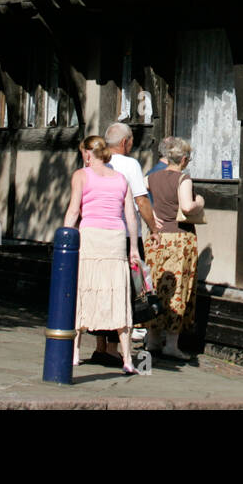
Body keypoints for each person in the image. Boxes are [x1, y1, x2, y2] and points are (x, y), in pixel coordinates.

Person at [63, 135, 139, 375]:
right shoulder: (121, 179)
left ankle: (74, 351)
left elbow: (74, 209)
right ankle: (127, 358)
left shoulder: (81, 175)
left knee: (84, 288)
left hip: (91, 236)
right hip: (116, 237)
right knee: (118, 292)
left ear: (87, 154)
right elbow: (130, 217)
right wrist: (134, 248)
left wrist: (65, 237)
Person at [144, 137, 204, 360]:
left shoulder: (152, 177)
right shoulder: (183, 178)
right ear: (184, 159)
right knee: (177, 289)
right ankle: (171, 343)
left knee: (156, 286)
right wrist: (201, 201)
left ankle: (152, 339)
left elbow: (136, 194)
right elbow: (187, 207)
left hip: (157, 239)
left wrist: (152, 215)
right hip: (179, 239)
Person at [103, 122, 161, 346]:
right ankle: (118, 346)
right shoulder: (130, 164)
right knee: (126, 289)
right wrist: (154, 228)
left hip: (101, 234)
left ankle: (104, 346)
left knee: (104, 287)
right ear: (125, 142)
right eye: (131, 143)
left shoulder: (96, 162)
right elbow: (141, 200)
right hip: (126, 235)